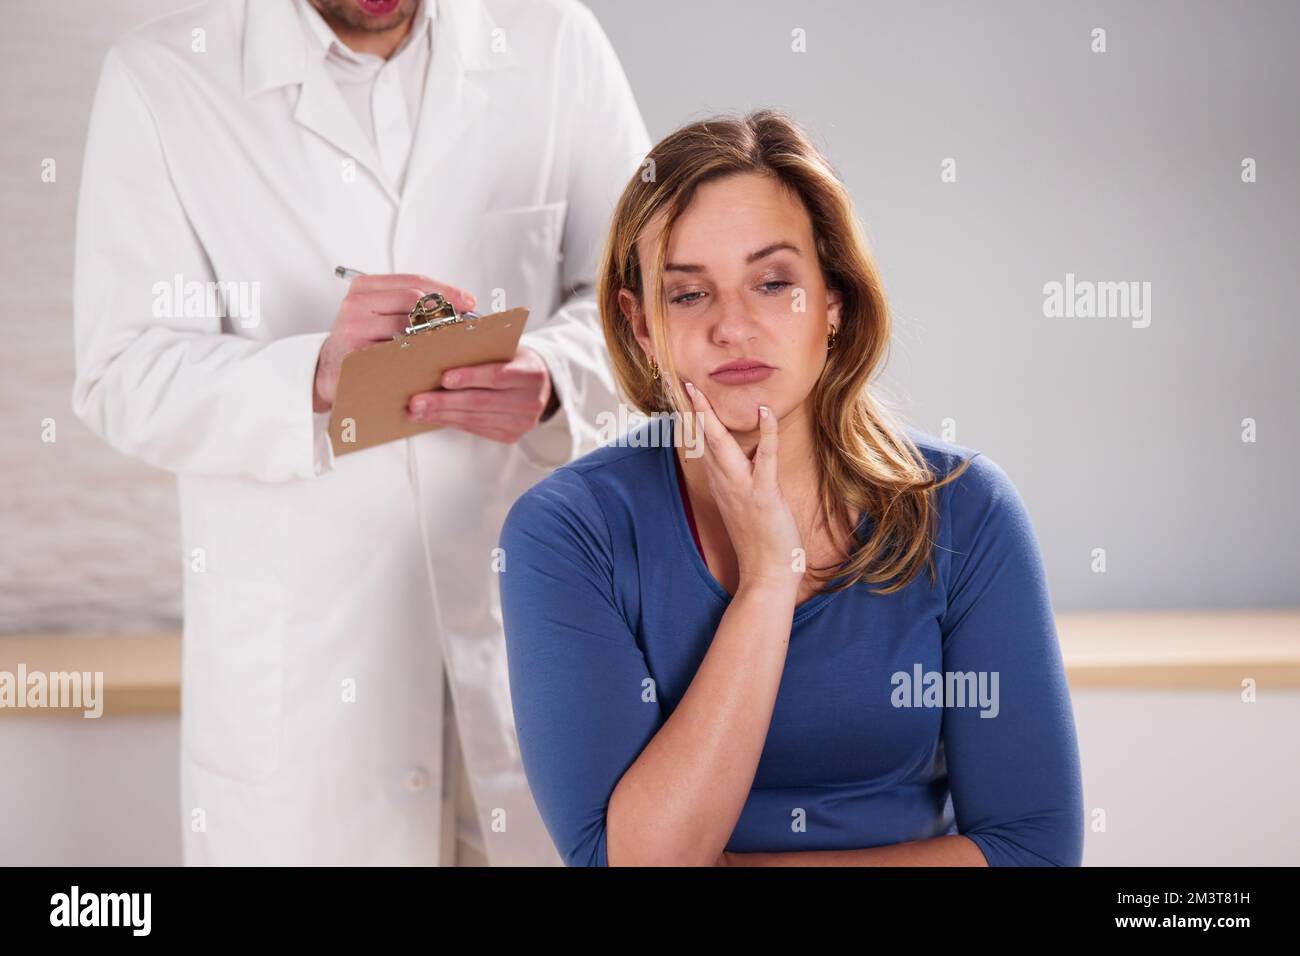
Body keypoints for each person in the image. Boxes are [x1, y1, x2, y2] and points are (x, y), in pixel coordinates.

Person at [71, 0, 649, 865]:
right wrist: (316, 374)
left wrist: (558, 377)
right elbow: (119, 373)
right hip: (302, 712)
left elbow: (647, 299)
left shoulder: (553, 40)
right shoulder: (164, 76)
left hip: (532, 653)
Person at [497, 109, 1085, 866]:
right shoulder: (567, 533)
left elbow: (1036, 852)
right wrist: (769, 580)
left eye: (773, 283)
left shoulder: (965, 509)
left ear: (834, 298)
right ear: (640, 325)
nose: (733, 328)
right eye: (687, 295)